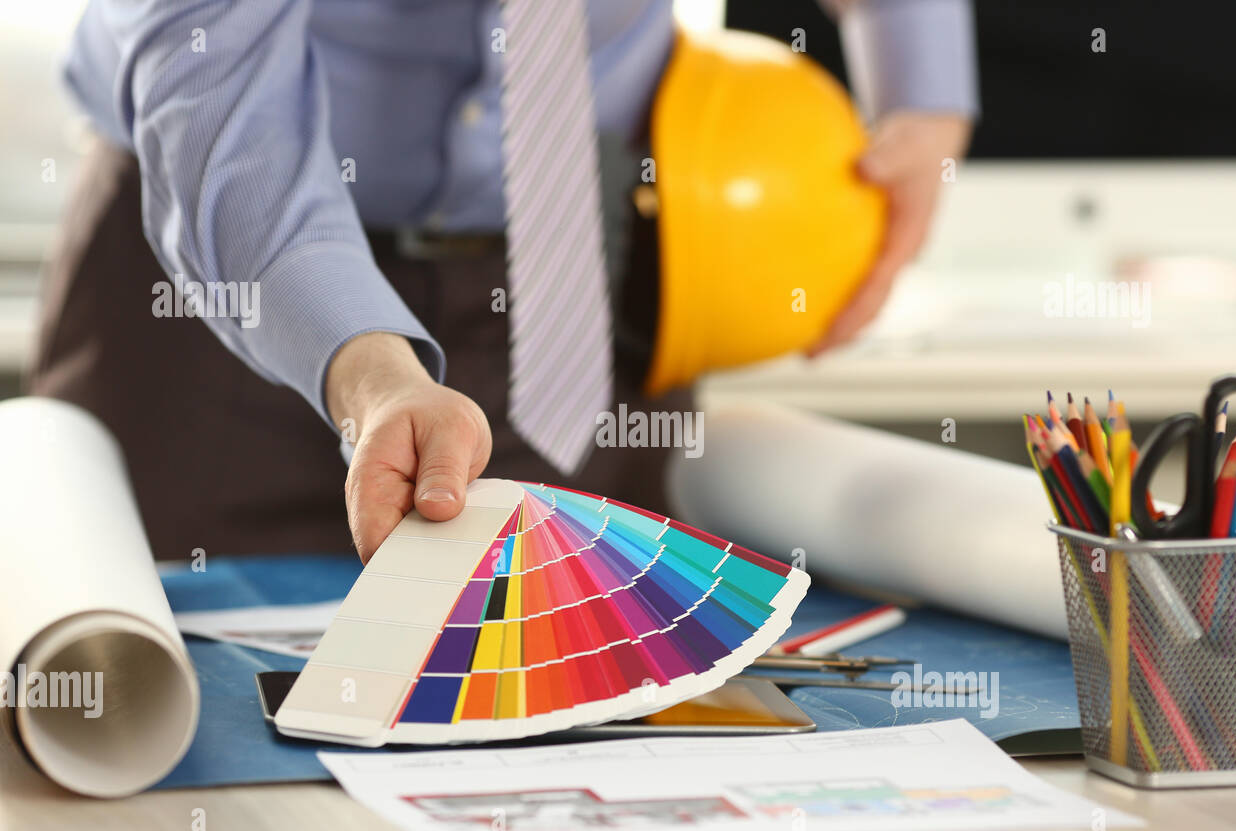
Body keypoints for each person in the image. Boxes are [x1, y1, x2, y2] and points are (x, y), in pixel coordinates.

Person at [31, 0, 977, 564]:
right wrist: (372, 374)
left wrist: (921, 84)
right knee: (159, 722)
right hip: (206, 283)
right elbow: (223, 122)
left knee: (587, 717)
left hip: (581, 264)